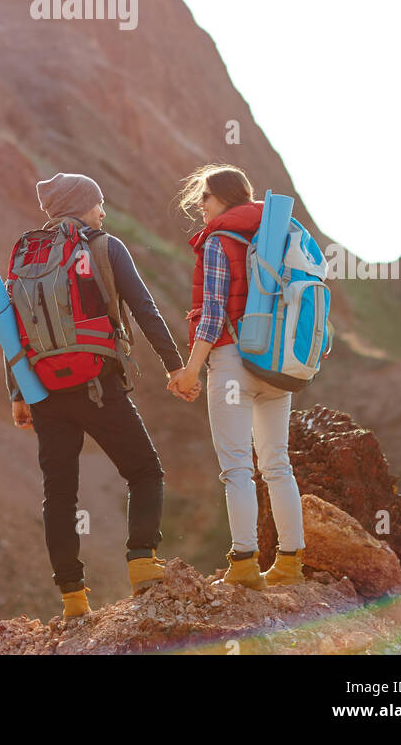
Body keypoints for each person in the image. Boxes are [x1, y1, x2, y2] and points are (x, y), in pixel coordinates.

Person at [7, 172, 193, 618]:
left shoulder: (27, 255)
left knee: (60, 494)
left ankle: (73, 599)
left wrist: (17, 393)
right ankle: (143, 563)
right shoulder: (104, 246)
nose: (103, 211)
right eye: (98, 203)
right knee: (145, 471)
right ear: (81, 205)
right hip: (96, 384)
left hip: (45, 391)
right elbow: (143, 307)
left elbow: (11, 330)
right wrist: (176, 366)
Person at [168, 164, 306, 588]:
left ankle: (244, 565)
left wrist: (191, 371)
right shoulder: (279, 237)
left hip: (230, 365)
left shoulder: (219, 240)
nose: (201, 207)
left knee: (236, 469)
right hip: (276, 363)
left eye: (204, 198)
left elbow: (212, 315)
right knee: (277, 464)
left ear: (223, 198)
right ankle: (290, 563)